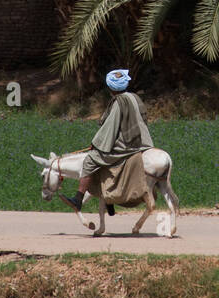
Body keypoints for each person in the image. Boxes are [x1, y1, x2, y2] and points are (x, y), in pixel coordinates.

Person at [61, 68, 153, 215]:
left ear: (111, 87)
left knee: (91, 160)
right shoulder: (134, 97)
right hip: (143, 141)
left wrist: (96, 144)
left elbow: (110, 127)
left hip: (129, 145)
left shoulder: (119, 102)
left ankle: (78, 199)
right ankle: (108, 201)